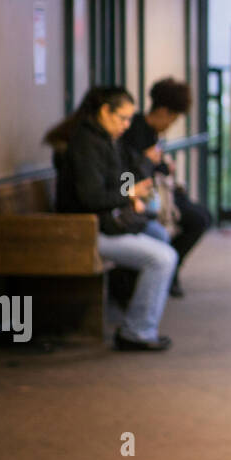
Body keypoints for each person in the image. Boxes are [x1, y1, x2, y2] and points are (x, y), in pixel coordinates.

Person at [44, 86, 177, 351]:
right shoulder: (85, 144)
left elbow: (116, 181)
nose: (127, 125)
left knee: (159, 235)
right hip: (83, 231)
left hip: (100, 224)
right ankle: (137, 330)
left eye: (129, 119)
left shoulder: (103, 139)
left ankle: (131, 302)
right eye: (122, 118)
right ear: (105, 111)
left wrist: (132, 193)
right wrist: (129, 194)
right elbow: (92, 198)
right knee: (163, 259)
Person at [119, 77, 212, 297]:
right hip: (142, 196)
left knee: (201, 217)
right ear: (162, 111)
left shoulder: (149, 132)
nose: (171, 124)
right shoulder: (133, 131)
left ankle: (169, 270)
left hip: (153, 193)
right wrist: (149, 162)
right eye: (172, 118)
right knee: (195, 220)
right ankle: (168, 271)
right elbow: (127, 175)